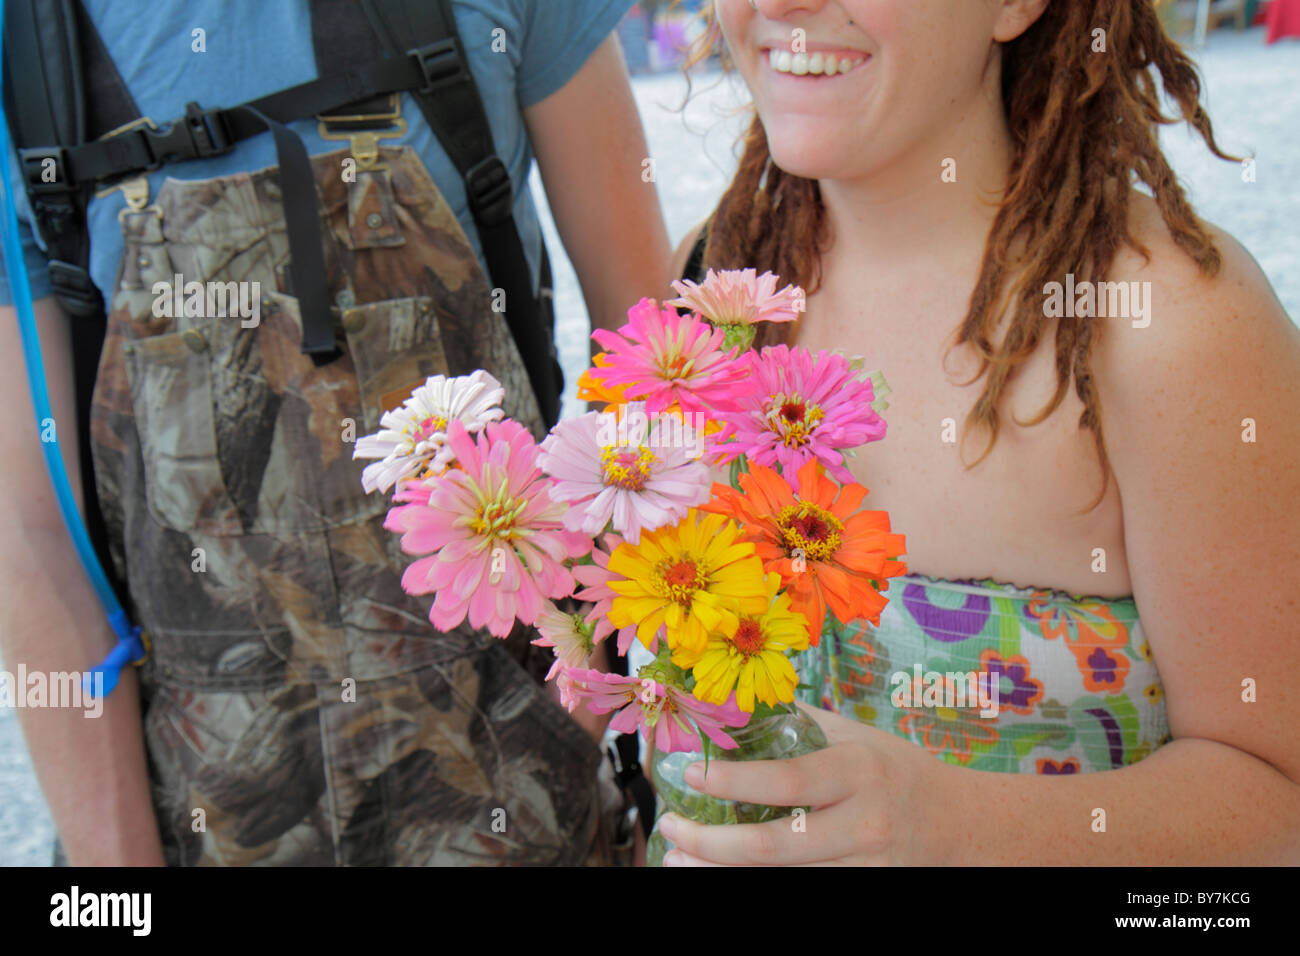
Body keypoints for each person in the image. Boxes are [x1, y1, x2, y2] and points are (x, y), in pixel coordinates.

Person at [0, 0, 670, 865]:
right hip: (207, 818)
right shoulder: (28, 41)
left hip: (519, 800)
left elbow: (659, 369)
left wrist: (581, 711)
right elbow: (31, 535)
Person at [656, 0, 1300, 864]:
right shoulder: (719, 276)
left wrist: (956, 826)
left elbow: (1282, 801)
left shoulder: (1169, 325)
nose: (780, 5)